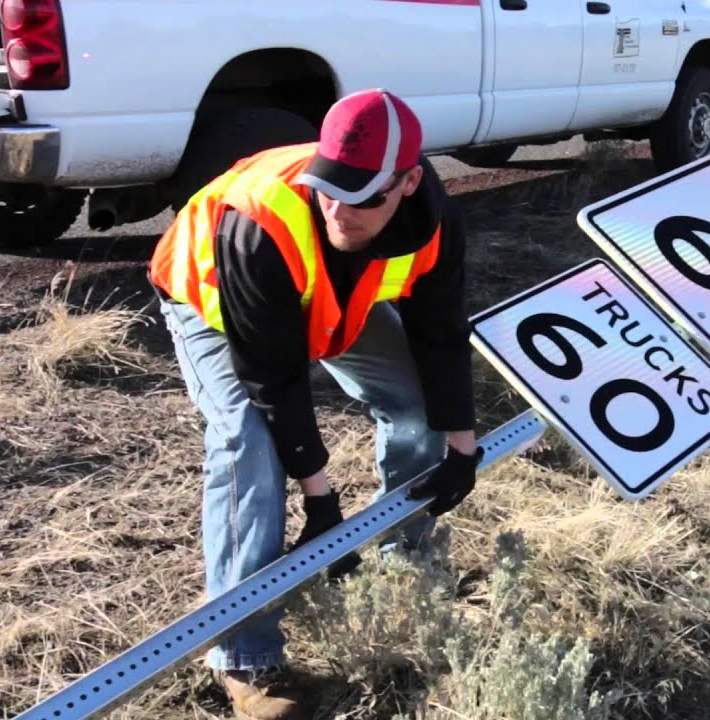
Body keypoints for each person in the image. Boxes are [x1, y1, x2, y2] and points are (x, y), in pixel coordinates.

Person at [148, 88, 484, 720]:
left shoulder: (436, 223)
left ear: (409, 182)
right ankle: (244, 657)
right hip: (211, 299)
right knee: (248, 441)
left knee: (416, 406)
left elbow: (440, 334)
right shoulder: (261, 217)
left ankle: (403, 560)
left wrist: (462, 447)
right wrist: (321, 497)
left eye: (365, 197)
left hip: (330, 302)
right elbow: (273, 379)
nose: (339, 209)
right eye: (330, 187)